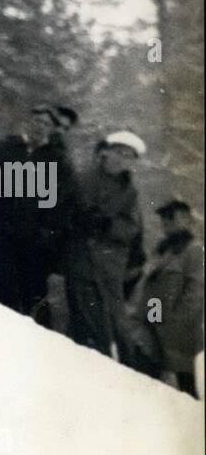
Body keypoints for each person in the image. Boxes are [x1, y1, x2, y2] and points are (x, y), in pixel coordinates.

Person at [0, 105, 75, 318]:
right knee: (0, 294)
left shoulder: (57, 160)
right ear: (28, 122)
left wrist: (49, 236)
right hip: (1, 237)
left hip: (35, 243)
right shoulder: (6, 150)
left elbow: (63, 205)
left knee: (34, 298)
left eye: (46, 123)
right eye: (36, 121)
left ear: (52, 129)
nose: (40, 126)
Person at [64, 131, 147, 360]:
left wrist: (107, 224)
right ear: (106, 152)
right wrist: (74, 220)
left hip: (110, 264)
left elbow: (131, 229)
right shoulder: (82, 178)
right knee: (83, 316)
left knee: (116, 321)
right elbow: (60, 211)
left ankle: (127, 369)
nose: (121, 159)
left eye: (128, 156)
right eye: (118, 152)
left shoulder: (129, 192)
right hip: (80, 258)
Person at [127, 196, 204, 397]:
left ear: (187, 219)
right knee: (153, 386)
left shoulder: (194, 251)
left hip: (178, 333)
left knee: (185, 388)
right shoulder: (163, 249)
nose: (166, 222)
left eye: (172, 217)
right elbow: (150, 287)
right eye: (164, 218)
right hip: (154, 326)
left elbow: (196, 293)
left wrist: (175, 323)